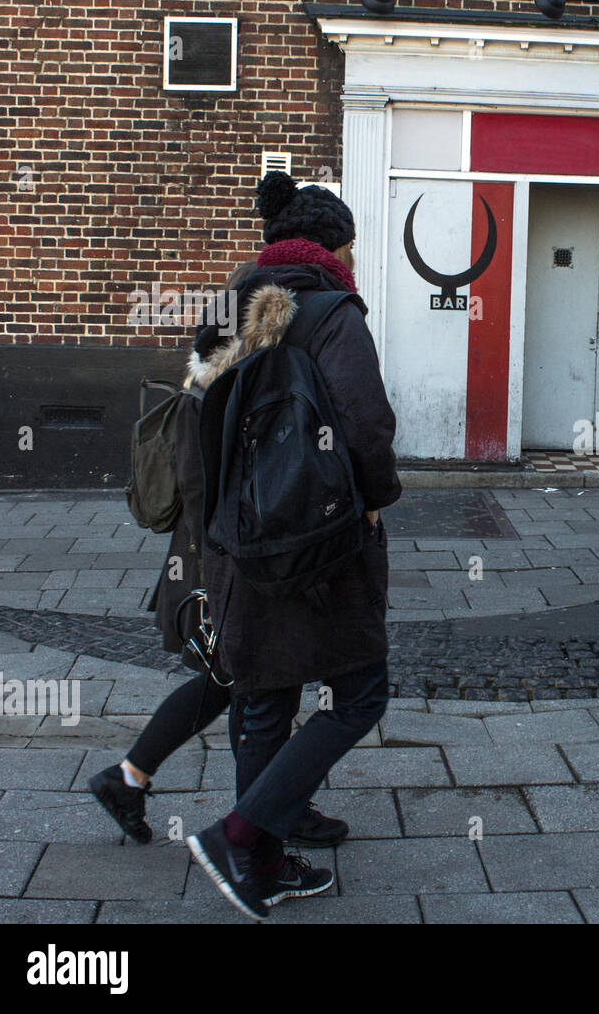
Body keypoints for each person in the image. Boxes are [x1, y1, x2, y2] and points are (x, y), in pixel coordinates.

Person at [185, 172, 401, 919]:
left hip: (234, 538)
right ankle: (243, 834)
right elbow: (367, 424)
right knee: (361, 691)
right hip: (317, 539)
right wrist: (375, 503)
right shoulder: (334, 310)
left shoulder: (226, 305)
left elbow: (196, 424)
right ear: (335, 246)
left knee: (264, 697)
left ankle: (267, 848)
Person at [88, 262, 350, 868]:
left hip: (211, 562)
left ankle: (133, 780)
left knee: (231, 683)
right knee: (242, 683)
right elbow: (209, 495)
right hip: (216, 565)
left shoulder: (213, 385)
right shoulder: (216, 395)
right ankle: (257, 818)